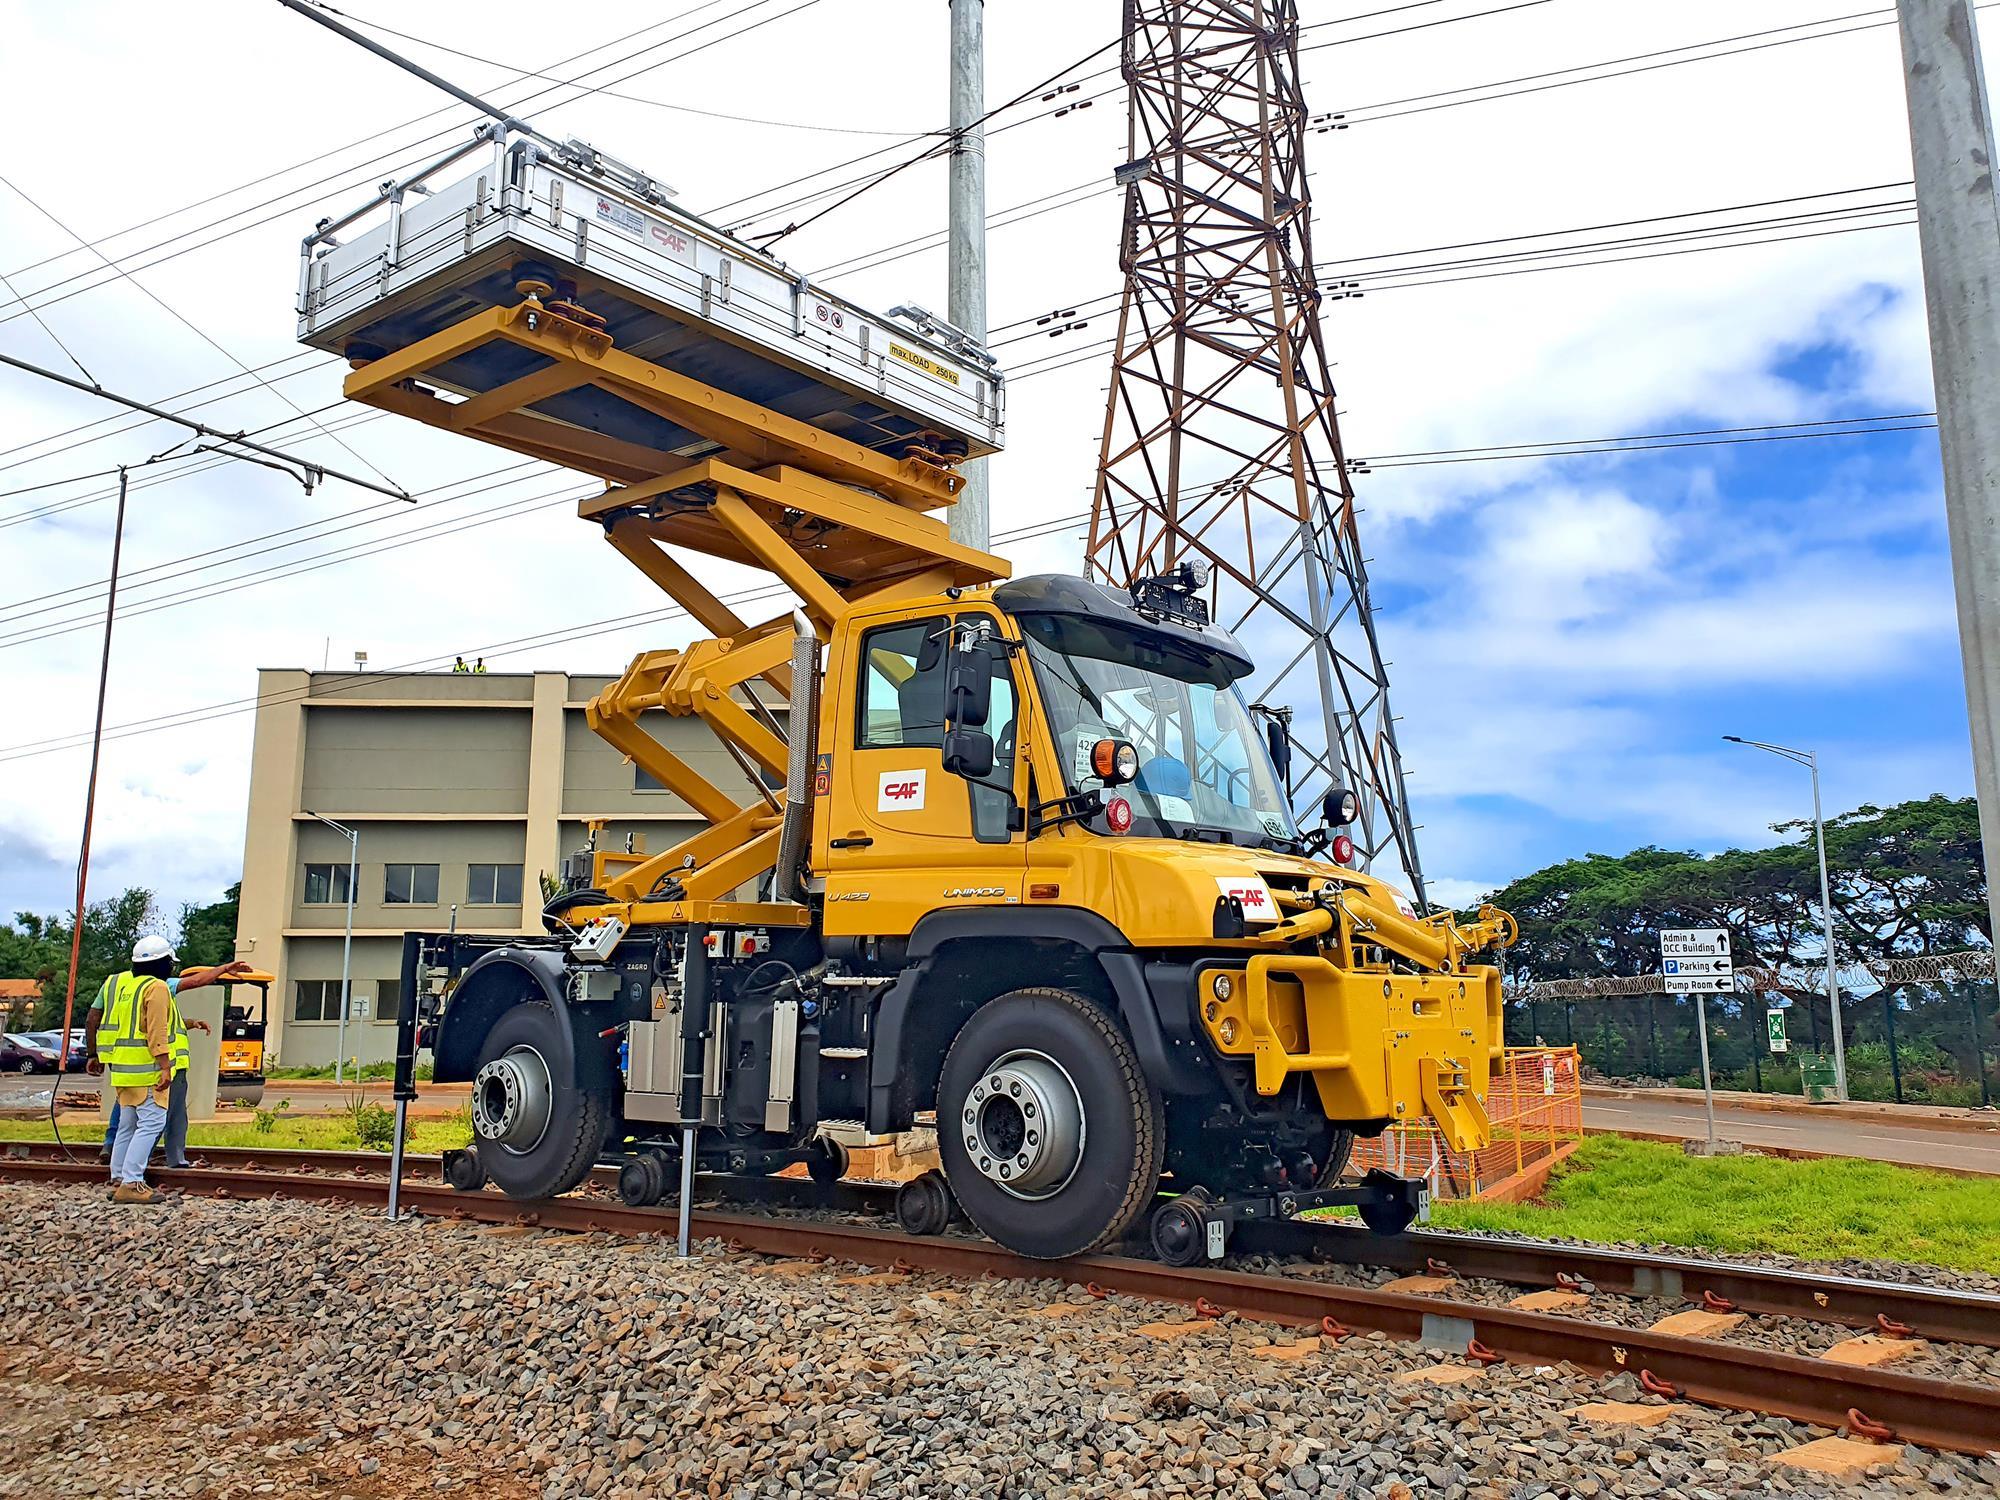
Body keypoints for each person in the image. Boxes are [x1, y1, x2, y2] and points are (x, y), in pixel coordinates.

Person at [86, 952, 248, 1167]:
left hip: (119, 1059)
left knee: (126, 1114)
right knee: (156, 1120)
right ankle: (139, 1172)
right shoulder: (157, 985)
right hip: (152, 1062)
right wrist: (225, 968)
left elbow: (93, 1018)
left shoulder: (115, 983)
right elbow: (193, 985)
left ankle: (113, 1153)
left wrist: (92, 1053)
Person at [92, 936, 179, 1204]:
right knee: (151, 1123)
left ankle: (118, 1178)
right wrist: (165, 1066)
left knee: (127, 1124)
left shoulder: (126, 988)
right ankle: (132, 1182)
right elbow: (156, 1030)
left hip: (123, 1070)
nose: (172, 968)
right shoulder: (156, 988)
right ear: (162, 963)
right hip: (146, 1070)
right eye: (170, 963)